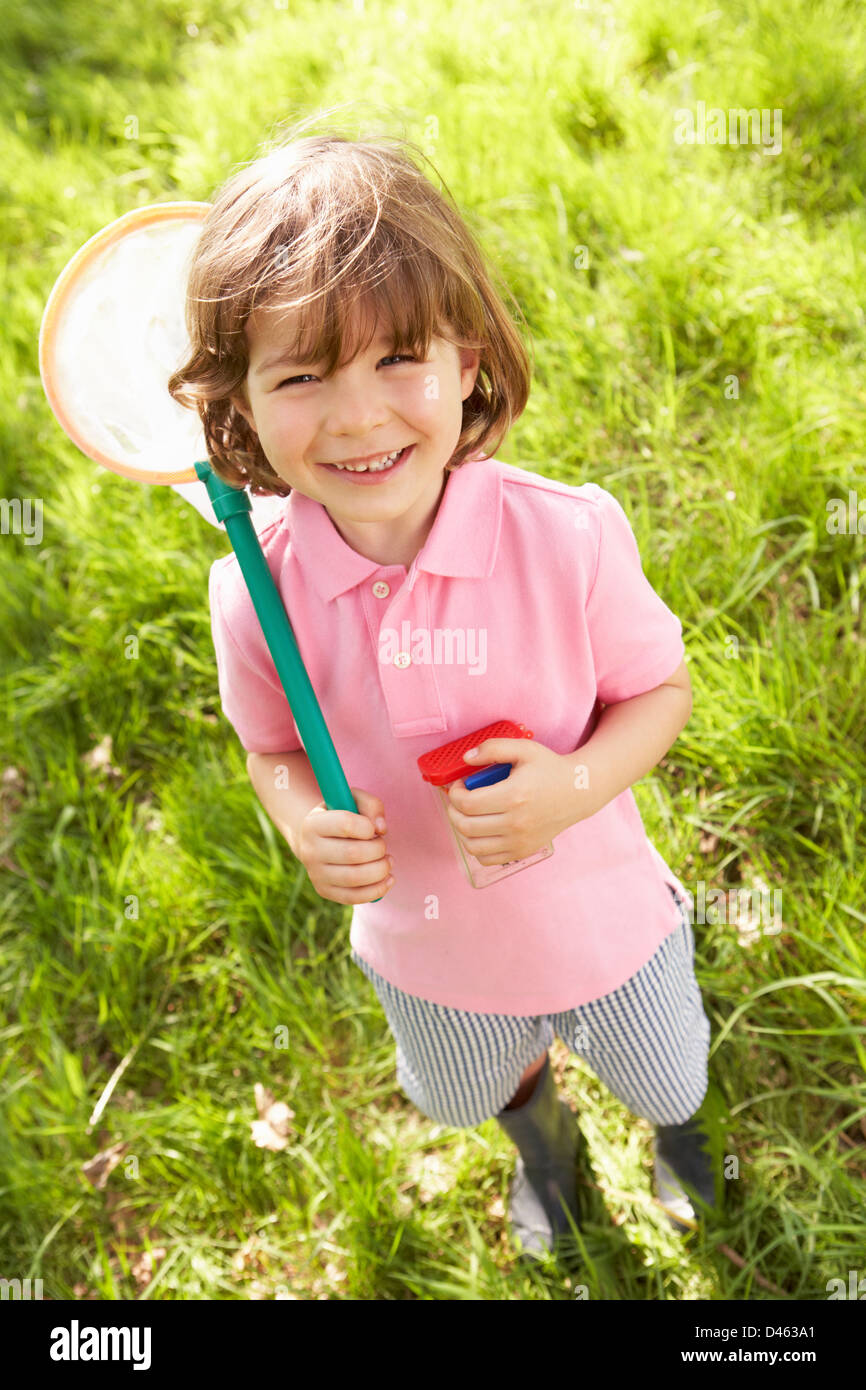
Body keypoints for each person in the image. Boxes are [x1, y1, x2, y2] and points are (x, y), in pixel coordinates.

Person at [168, 115, 720, 1261]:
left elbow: (657, 691)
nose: (359, 414)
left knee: (667, 1066)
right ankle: (545, 1148)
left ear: (466, 361)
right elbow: (270, 745)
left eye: (397, 358)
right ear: (239, 407)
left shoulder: (566, 537)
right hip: (432, 954)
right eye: (303, 374)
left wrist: (571, 785)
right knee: (475, 1089)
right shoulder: (250, 593)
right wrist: (297, 819)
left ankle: (678, 1136)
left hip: (605, 920)